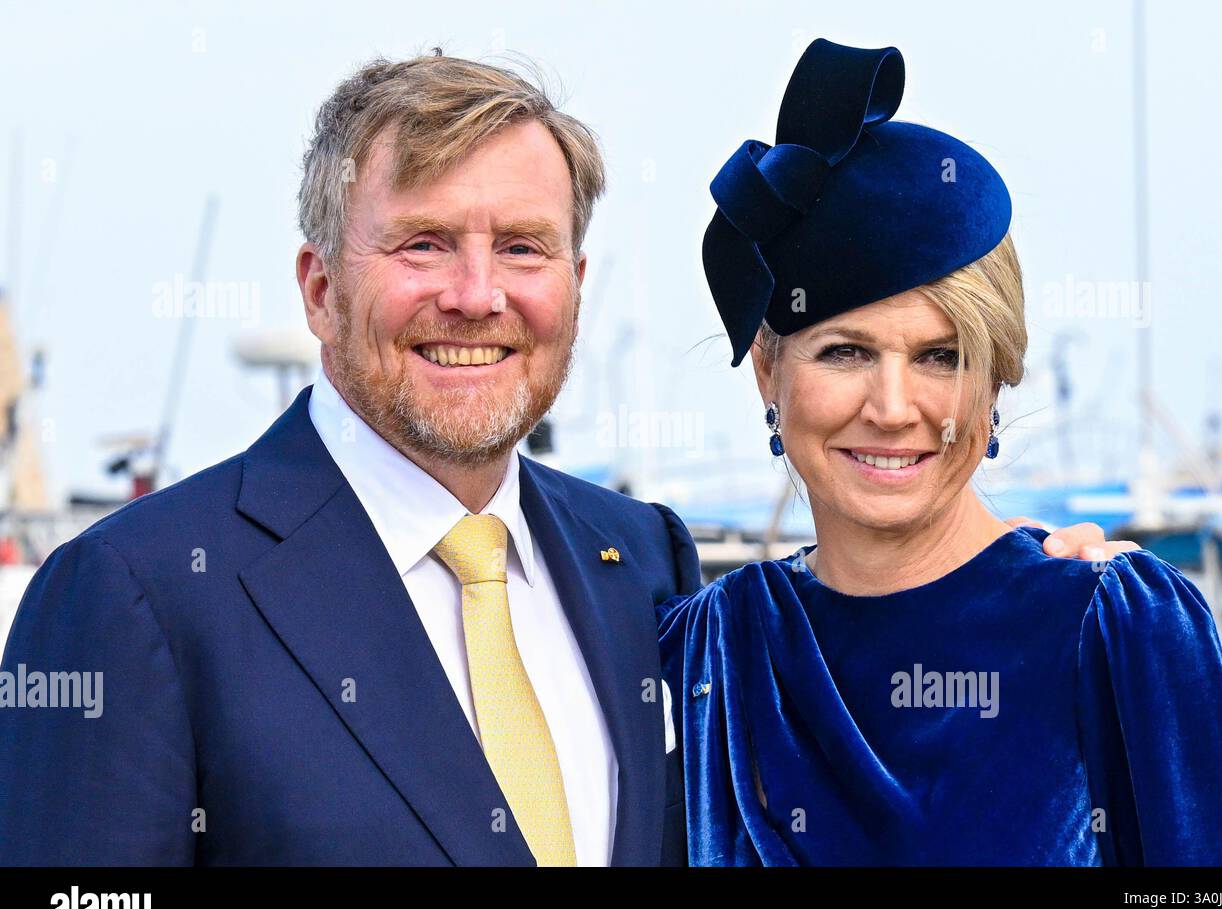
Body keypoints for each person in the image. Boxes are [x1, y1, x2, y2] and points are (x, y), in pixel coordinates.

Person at [0, 51, 1127, 867]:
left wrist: (1016, 595)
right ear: (317, 286)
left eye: (523, 248)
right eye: (424, 242)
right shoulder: (134, 594)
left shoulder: (641, 564)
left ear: (575, 287)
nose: (477, 295)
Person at [659, 39, 1222, 866]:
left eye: (940, 357)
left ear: (994, 384)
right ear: (769, 370)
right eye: (844, 351)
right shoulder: (706, 652)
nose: (892, 408)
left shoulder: (1119, 628)